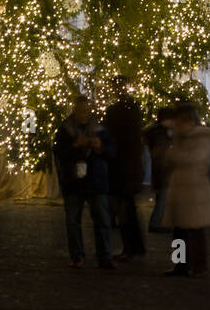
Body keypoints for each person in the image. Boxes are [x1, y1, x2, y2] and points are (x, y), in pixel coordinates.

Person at [53, 96, 116, 270]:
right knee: (73, 221)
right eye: (80, 111)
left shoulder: (100, 130)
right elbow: (58, 152)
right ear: (74, 110)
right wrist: (74, 146)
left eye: (86, 111)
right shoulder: (65, 130)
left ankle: (105, 256)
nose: (83, 114)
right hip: (73, 181)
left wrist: (99, 147)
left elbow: (111, 151)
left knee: (102, 219)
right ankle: (77, 256)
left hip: (96, 180)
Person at [162, 102, 210, 277]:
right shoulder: (179, 136)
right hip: (180, 188)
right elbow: (170, 159)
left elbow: (195, 159)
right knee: (179, 231)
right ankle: (180, 265)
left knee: (196, 230)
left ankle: (199, 266)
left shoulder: (201, 137)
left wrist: (174, 155)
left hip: (194, 190)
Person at [104, 76, 146, 262]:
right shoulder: (133, 109)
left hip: (121, 167)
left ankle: (132, 248)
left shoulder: (117, 111)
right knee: (128, 209)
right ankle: (134, 248)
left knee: (125, 211)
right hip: (130, 166)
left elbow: (109, 136)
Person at [144, 107, 173, 232]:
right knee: (162, 199)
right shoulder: (161, 134)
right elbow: (160, 154)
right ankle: (155, 223)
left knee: (162, 198)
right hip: (162, 172)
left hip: (160, 171)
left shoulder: (157, 131)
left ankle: (158, 222)